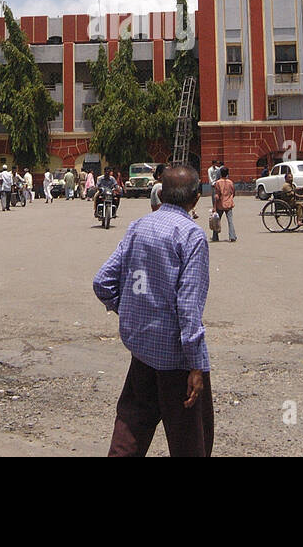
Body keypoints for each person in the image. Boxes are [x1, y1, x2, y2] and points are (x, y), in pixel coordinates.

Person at [93, 165, 212, 457]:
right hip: (177, 359)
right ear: (196, 198)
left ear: (161, 191)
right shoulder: (191, 237)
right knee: (189, 440)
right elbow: (188, 307)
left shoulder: (138, 226)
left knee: (131, 426)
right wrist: (196, 365)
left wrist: (132, 312)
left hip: (142, 350)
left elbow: (103, 282)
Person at [212, 166, 237, 242]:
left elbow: (217, 195)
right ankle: (232, 236)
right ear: (227, 174)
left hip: (220, 204)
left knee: (217, 221)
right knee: (230, 221)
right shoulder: (230, 182)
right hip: (229, 204)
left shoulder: (218, 183)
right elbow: (233, 192)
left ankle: (215, 236)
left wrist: (214, 206)